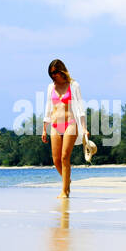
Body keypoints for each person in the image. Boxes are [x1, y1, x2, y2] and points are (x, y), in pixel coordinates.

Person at [39, 59, 88, 199]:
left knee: (65, 157)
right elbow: (48, 107)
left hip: (70, 123)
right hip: (55, 125)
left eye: (55, 72)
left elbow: (80, 107)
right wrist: (44, 128)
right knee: (56, 160)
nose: (53, 76)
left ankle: (65, 191)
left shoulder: (73, 85)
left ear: (61, 70)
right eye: (51, 73)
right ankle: (67, 180)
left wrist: (84, 128)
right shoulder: (50, 87)